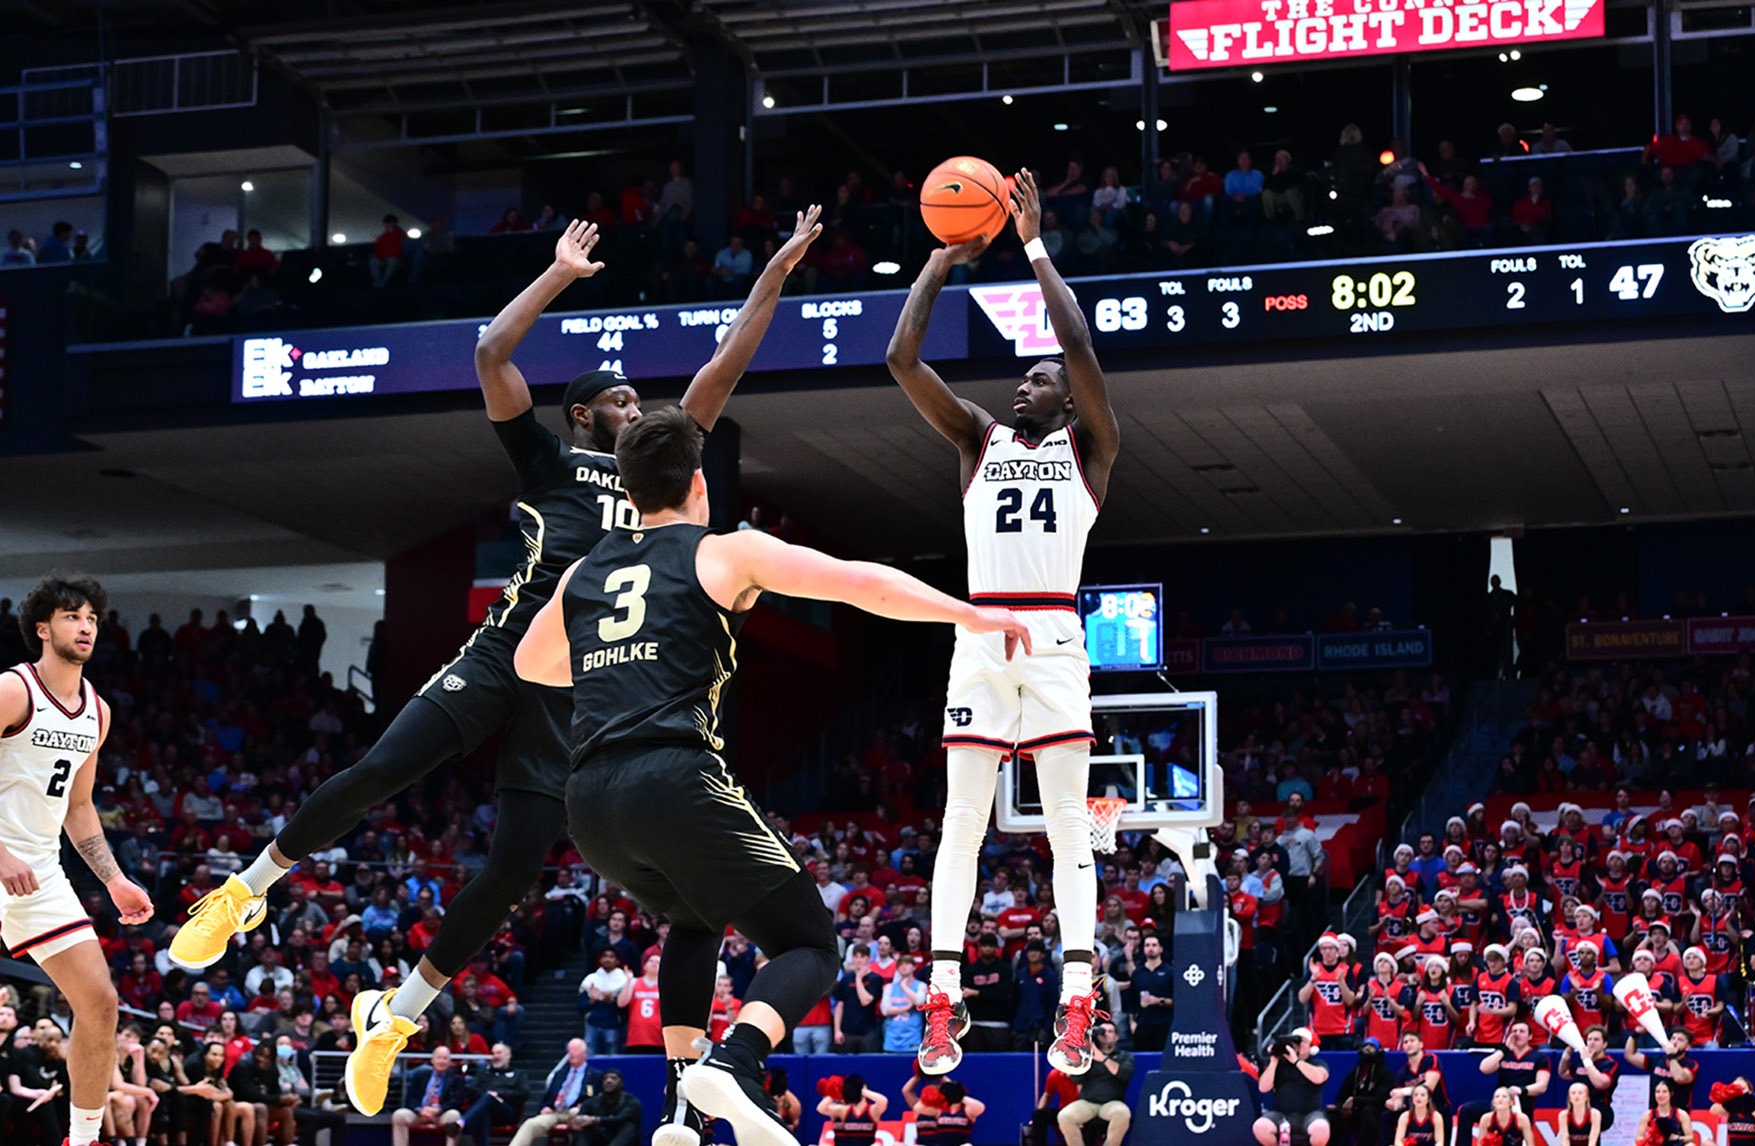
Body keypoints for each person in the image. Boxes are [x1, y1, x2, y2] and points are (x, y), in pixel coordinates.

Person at [170, 211, 827, 1117]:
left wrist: (777, 274)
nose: (637, 406)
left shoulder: (660, 470)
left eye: (642, 401)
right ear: (583, 414)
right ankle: (246, 890)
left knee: (515, 869)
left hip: (589, 688)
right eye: (620, 399)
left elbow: (726, 364)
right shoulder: (552, 461)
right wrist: (559, 274)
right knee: (385, 769)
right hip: (506, 655)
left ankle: (397, 1017)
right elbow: (491, 354)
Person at [513, 407, 1029, 1146]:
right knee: (813, 946)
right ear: (699, 483)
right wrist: (969, 615)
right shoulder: (725, 551)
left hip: (589, 804)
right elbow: (857, 584)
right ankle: (738, 1061)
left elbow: (534, 665)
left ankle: (681, 1114)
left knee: (695, 917)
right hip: (673, 778)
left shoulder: (584, 574)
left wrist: (611, 658)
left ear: (626, 496)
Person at [887, 167, 1120, 1078]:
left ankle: (1076, 997)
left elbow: (1078, 341)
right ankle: (942, 1000)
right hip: (980, 636)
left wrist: (1032, 247)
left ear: (1067, 400)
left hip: (1057, 637)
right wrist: (939, 263)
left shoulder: (1091, 448)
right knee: (961, 827)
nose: (1024, 386)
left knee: (1070, 822)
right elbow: (903, 362)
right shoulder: (976, 440)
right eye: (1022, 380)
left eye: (1039, 380)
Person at [0, 573, 157, 1146]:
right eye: (71, 616)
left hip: (39, 873)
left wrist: (114, 881)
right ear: (42, 629)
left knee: (99, 1000)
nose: (85, 625)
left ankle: (84, 1139)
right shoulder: (12, 690)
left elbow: (82, 806)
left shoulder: (98, 710)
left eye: (90, 617)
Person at [507, 1040, 601, 1146]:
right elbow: (547, 1097)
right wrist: (545, 1107)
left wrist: (584, 1106)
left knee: (577, 1113)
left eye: (575, 1050)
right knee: (530, 1124)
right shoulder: (559, 1074)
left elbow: (597, 1100)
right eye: (569, 1050)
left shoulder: (595, 1075)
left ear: (584, 1053)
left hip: (576, 1112)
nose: (571, 1053)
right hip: (555, 1112)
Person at [1057, 1022, 1131, 1146]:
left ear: (1117, 1037)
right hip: (1087, 1102)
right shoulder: (1089, 1056)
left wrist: (1102, 1058)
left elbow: (1125, 1074)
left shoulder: (1124, 1056)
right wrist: (1081, 1060)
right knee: (1065, 1116)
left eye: (1110, 1031)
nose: (1105, 1034)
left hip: (1112, 1102)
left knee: (1123, 1113)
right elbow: (1077, 1080)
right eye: (1103, 1031)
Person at [1256, 1031, 1331, 1146]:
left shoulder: (1318, 1063)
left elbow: (1319, 1077)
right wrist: (1273, 1061)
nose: (1299, 1045)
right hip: (1282, 1115)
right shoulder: (1279, 1065)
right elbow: (1263, 1088)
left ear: (1311, 1047)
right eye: (1296, 1041)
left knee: (1321, 1129)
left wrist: (1296, 1061)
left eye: (1303, 1041)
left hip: (1310, 1114)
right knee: (1260, 1127)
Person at [456, 1042, 530, 1146]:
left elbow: (524, 1093)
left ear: (508, 1055)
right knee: (484, 1112)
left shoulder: (519, 1074)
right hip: (486, 1109)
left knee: (488, 1100)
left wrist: (499, 1095)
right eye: (493, 1053)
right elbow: (472, 1089)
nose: (495, 1056)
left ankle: (461, 1122)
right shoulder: (484, 1073)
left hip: (507, 1112)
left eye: (499, 1053)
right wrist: (488, 1096)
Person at [393, 1046, 468, 1146]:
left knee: (454, 1115)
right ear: (432, 1060)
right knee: (399, 1115)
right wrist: (420, 1110)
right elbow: (410, 1098)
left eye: (445, 1058)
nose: (442, 1061)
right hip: (420, 1114)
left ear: (449, 1061)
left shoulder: (456, 1079)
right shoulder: (420, 1075)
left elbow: (457, 1101)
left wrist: (439, 1110)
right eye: (439, 1057)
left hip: (441, 1115)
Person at [574, 1069, 643, 1146]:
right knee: (582, 1127)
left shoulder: (631, 1101)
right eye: (605, 1079)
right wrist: (578, 1121)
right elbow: (580, 1119)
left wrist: (595, 1120)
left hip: (622, 1139)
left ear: (621, 1083)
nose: (608, 1081)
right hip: (600, 1138)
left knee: (629, 1127)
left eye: (613, 1078)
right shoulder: (591, 1102)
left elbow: (619, 1119)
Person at [818, 1075, 887, 1146]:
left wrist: (864, 1092)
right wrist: (833, 1094)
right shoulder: (844, 1110)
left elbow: (883, 1101)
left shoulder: (872, 1111)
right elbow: (821, 1109)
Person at [1635, 1081, 1692, 1146]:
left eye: (1664, 1092)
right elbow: (1639, 1137)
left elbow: (1690, 1137)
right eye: (1658, 1092)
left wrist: (1678, 1138)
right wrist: (1649, 1138)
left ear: (1671, 1093)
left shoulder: (1681, 1114)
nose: (1660, 1095)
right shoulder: (1647, 1115)